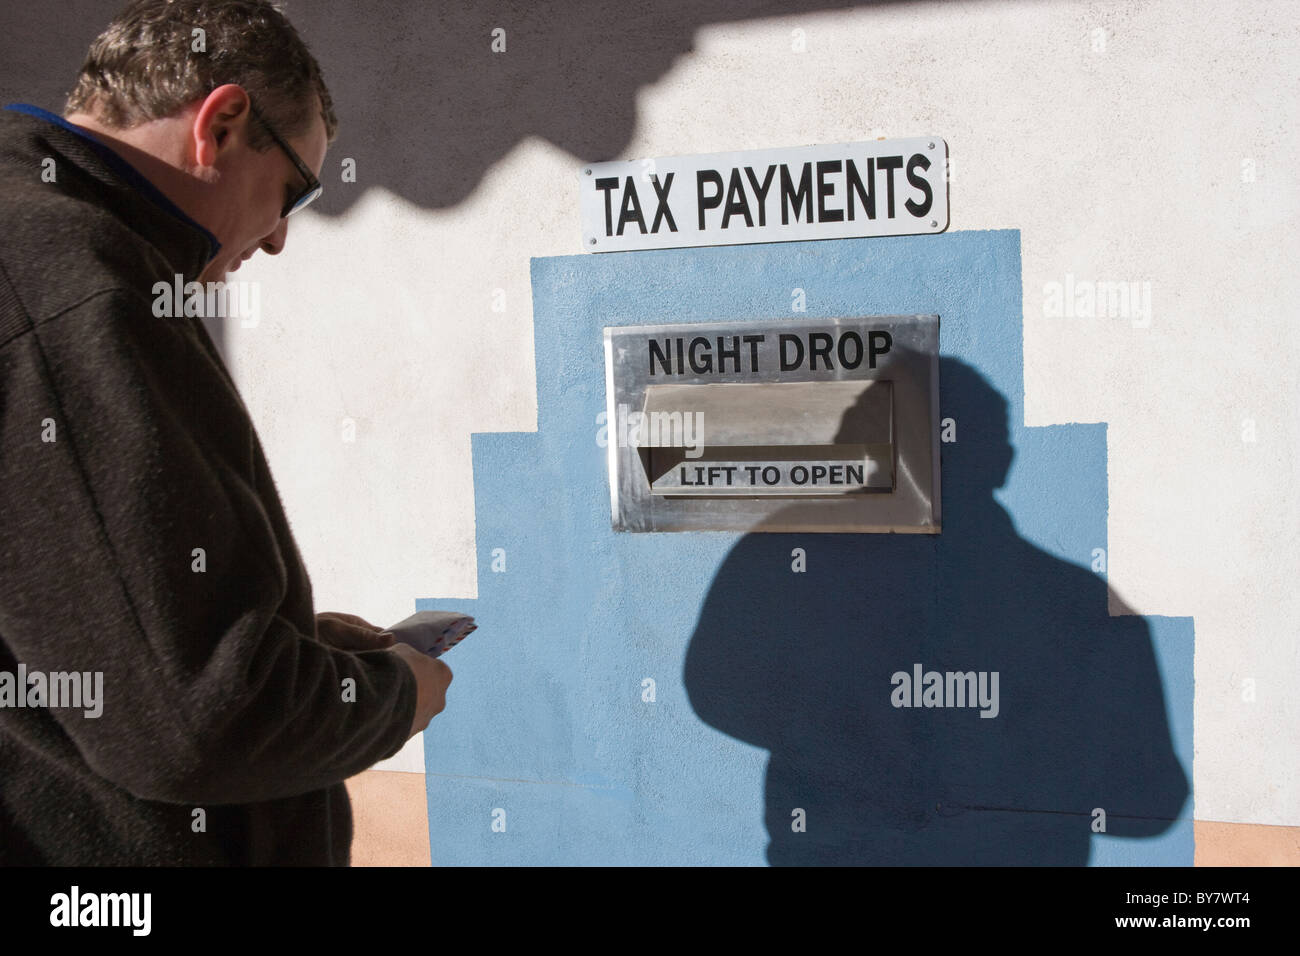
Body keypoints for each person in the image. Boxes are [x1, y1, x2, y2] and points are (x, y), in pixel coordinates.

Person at [0, 0, 451, 865]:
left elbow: (91, 628)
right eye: (293, 191)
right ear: (222, 122)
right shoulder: (73, 283)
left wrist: (292, 646)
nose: (279, 239)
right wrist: (393, 696)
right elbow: (192, 726)